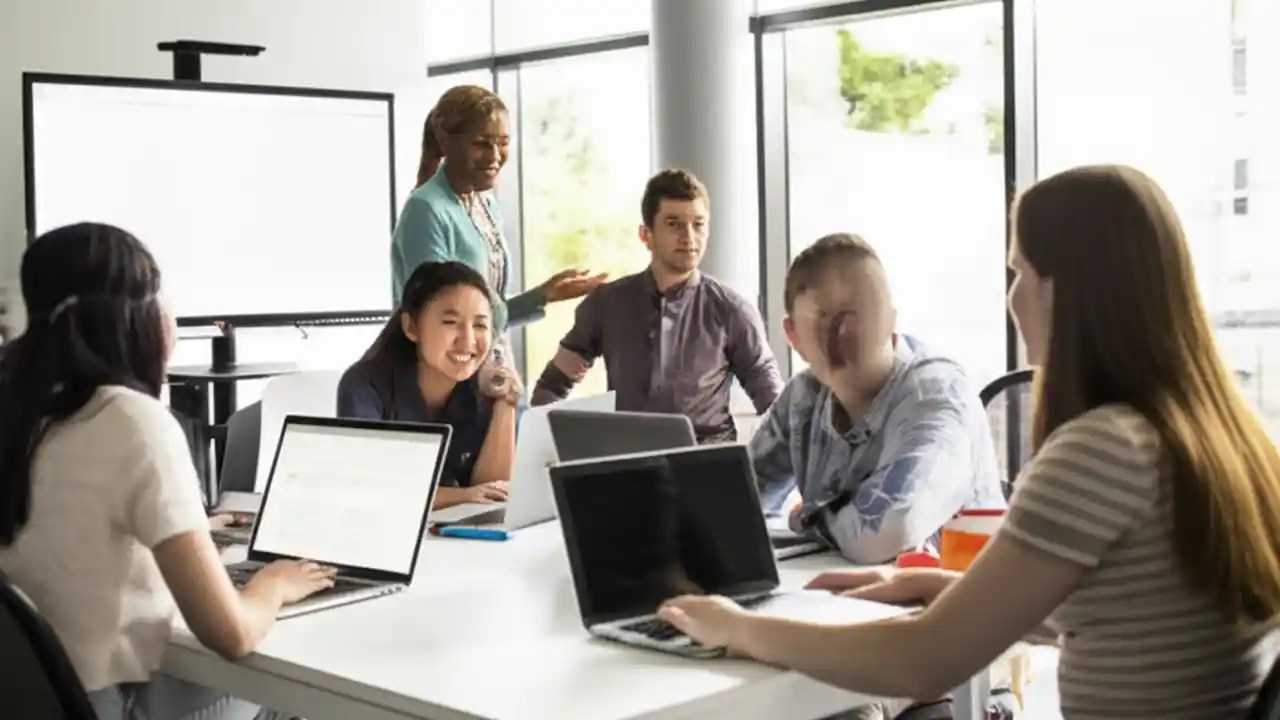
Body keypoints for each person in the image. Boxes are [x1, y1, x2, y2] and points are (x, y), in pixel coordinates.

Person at [659, 165, 1280, 718]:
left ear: (1070, 289)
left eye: (1019, 272)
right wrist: (946, 589)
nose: (1012, 297)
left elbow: (923, 662)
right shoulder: (1222, 436)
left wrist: (740, 629)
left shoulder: (1102, 449)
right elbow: (1130, 617)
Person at [0, 223, 335, 719]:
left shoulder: (18, 410)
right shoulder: (131, 420)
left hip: (46, 701)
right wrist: (274, 584)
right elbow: (233, 634)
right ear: (131, 316)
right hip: (114, 706)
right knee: (295, 673)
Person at [751, 233, 1003, 565]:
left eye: (860, 313)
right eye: (824, 319)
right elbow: (736, 500)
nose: (844, 333)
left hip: (950, 606)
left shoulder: (937, 395)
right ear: (794, 336)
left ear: (889, 318)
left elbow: (888, 530)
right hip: (841, 598)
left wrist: (810, 518)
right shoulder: (804, 397)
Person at [531, 169, 783, 443]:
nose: (689, 237)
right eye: (674, 224)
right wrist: (551, 448)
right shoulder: (606, 305)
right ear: (645, 235)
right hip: (628, 465)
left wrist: (761, 473)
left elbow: (774, 404)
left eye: (698, 224)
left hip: (708, 467)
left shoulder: (733, 310)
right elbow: (553, 386)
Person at [394, 85, 607, 333]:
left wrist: (544, 295)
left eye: (503, 143)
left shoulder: (486, 206)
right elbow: (440, 317)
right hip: (443, 366)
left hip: (483, 358)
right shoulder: (426, 209)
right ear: (445, 140)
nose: (495, 155)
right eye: (482, 143)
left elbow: (485, 316)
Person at [337, 261, 519, 509]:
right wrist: (462, 496)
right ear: (411, 327)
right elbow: (368, 487)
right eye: (451, 322)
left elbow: (493, 493)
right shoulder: (365, 386)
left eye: (480, 325)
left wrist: (505, 403)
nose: (468, 340)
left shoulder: (482, 388)